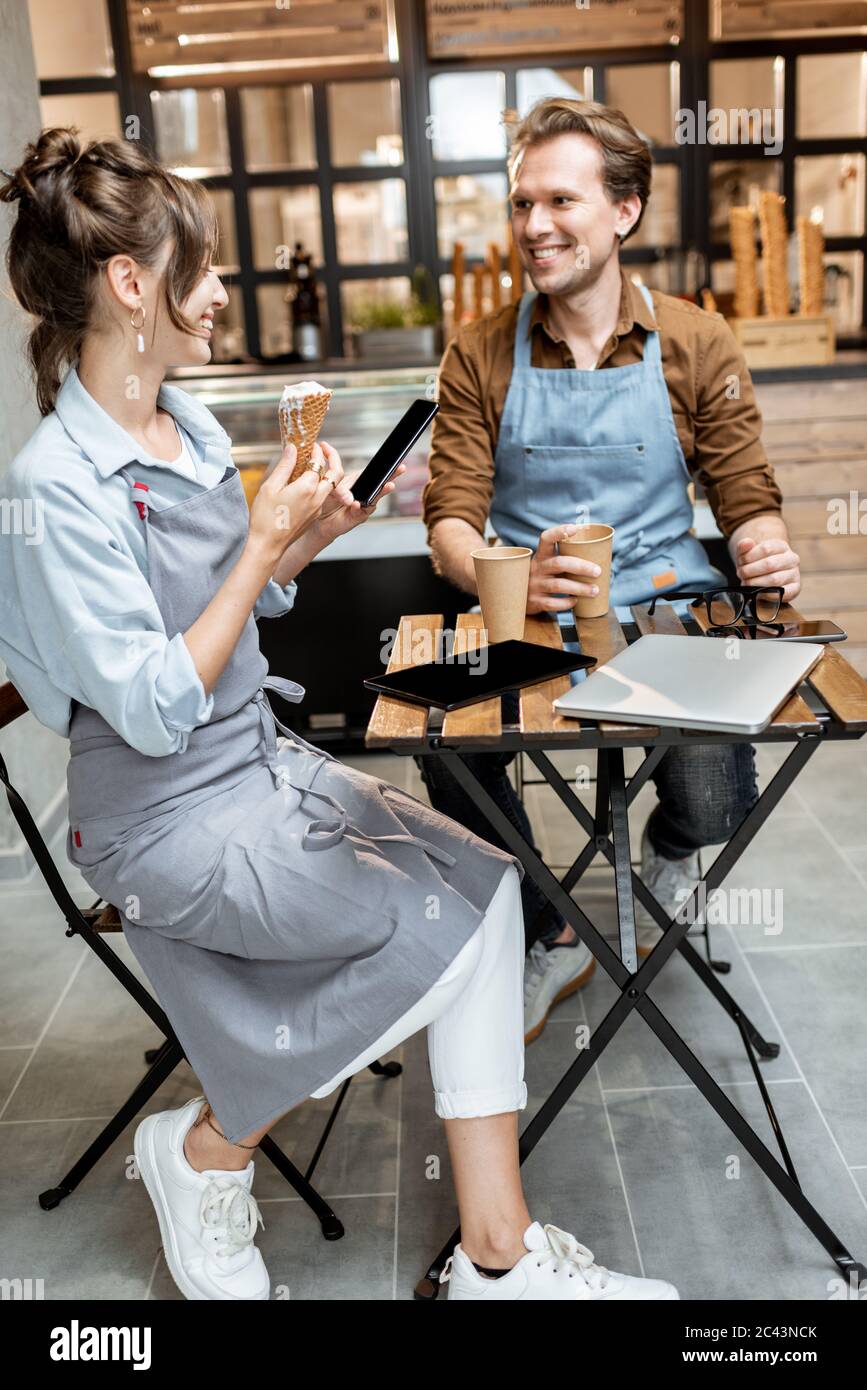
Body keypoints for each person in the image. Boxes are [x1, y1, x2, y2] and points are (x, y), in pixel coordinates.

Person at [0, 129, 681, 1303]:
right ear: (129, 283)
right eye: (201, 270)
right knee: (451, 933)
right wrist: (262, 540)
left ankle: (495, 1258)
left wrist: (302, 535)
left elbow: (245, 602)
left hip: (257, 762)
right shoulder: (52, 485)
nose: (218, 294)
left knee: (494, 888)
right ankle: (207, 1147)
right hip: (161, 819)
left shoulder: (191, 424)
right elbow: (157, 704)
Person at [420, 98, 801, 1043]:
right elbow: (450, 520)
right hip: (524, 616)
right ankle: (549, 928)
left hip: (667, 605)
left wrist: (758, 540)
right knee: (442, 750)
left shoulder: (698, 340)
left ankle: (669, 849)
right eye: (520, 205)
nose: (534, 227)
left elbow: (743, 487)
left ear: (623, 210)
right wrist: (494, 572)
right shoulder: (475, 352)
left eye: (560, 201)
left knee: (715, 792)